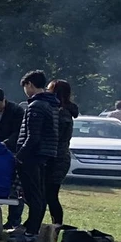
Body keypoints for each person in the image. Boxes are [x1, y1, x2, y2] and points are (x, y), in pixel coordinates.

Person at [12, 69, 59, 242]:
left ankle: (30, 233)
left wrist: (19, 156)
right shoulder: (52, 104)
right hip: (46, 154)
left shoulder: (36, 106)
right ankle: (32, 228)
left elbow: (32, 136)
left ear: (29, 84)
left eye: (25, 86)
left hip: (33, 155)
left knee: (33, 195)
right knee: (38, 194)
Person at [45, 79, 77, 228]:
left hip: (57, 158)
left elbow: (56, 136)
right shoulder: (64, 111)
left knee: (51, 194)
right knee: (49, 194)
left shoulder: (62, 113)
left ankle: (57, 225)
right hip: (58, 157)